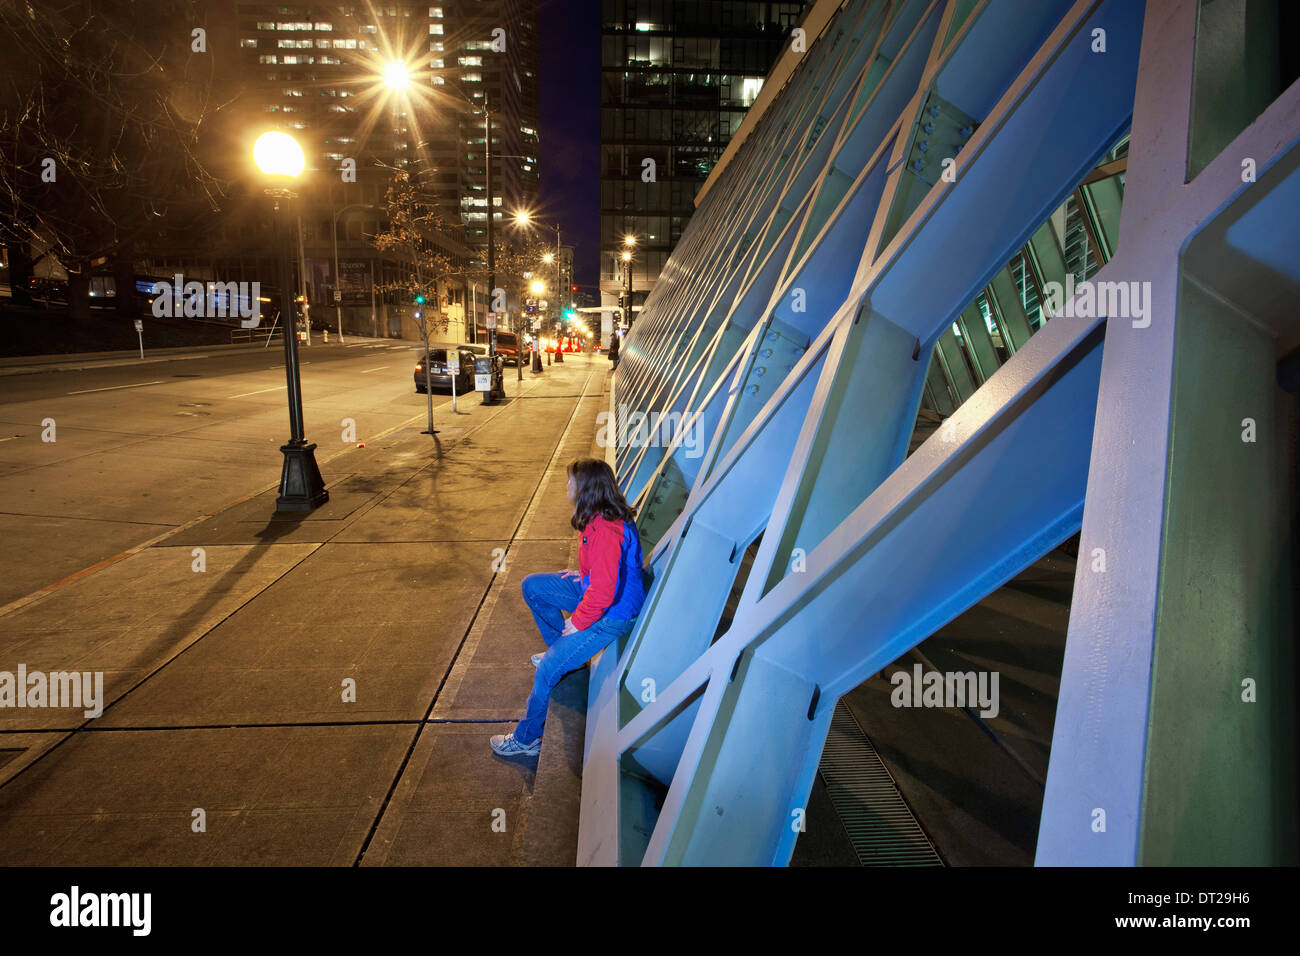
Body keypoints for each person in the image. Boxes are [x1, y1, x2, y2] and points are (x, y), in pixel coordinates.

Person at [490, 458, 646, 757]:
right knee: (533, 586)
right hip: (599, 593)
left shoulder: (607, 528)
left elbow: (603, 592)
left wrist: (579, 621)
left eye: (570, 480)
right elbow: (604, 573)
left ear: (586, 487)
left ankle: (526, 739)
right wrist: (584, 574)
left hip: (612, 613)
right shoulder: (597, 515)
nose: (566, 484)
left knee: (547, 671)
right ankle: (563, 651)